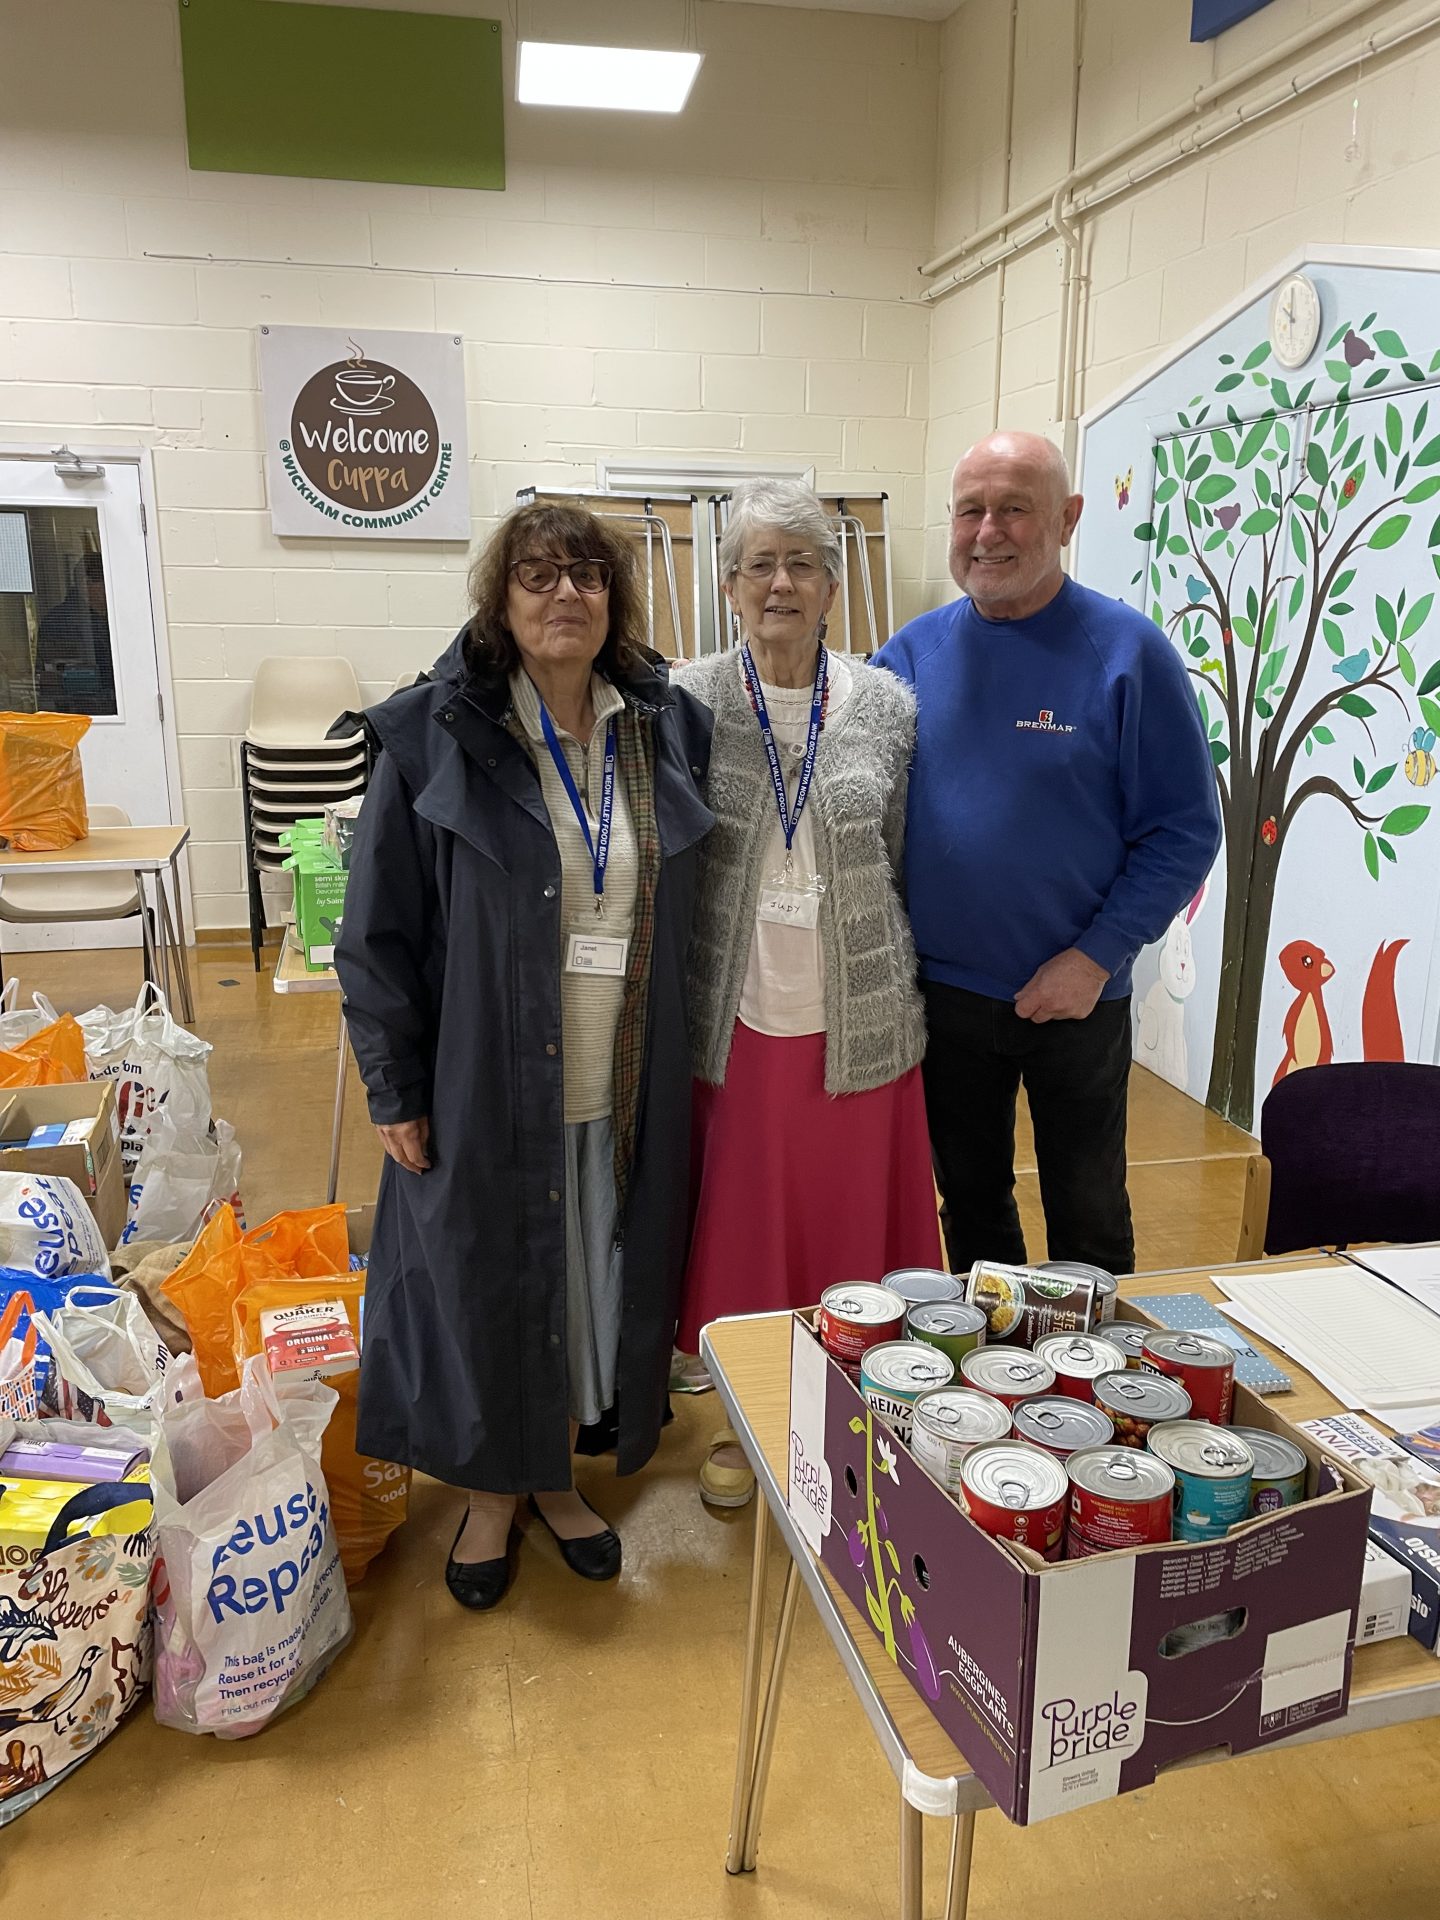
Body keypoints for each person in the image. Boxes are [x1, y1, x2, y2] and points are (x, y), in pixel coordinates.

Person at [336, 502, 714, 1610]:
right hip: (485, 1080)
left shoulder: (659, 727)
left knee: (585, 1283)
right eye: (539, 576)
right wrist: (394, 1086)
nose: (565, 595)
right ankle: (492, 1495)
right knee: (487, 1285)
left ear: (615, 600)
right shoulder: (436, 735)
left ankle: (554, 1479)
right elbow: (378, 935)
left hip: (617, 1075)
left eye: (588, 576)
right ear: (500, 601)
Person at [875, 432, 1222, 1281]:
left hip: (1077, 998)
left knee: (1089, 1212)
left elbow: (1184, 830)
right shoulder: (909, 656)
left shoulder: (1127, 653)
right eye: (970, 510)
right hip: (945, 995)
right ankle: (996, 1383)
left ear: (1066, 519)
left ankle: (1104, 1389)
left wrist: (1095, 956)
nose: (987, 531)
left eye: (1014, 509)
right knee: (972, 1203)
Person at [675, 478, 940, 1509]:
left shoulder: (886, 704)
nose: (779, 582)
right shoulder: (687, 702)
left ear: (832, 584)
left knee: (848, 1237)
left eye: (801, 563)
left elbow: (903, 852)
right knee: (747, 1236)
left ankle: (859, 1422)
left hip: (859, 1019)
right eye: (758, 565)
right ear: (730, 586)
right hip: (735, 1018)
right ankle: (747, 1426)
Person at [35, 551, 115, 714]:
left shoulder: (113, 619)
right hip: (82, 711)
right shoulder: (61, 623)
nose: (113, 589)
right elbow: (53, 675)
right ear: (86, 584)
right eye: (107, 582)